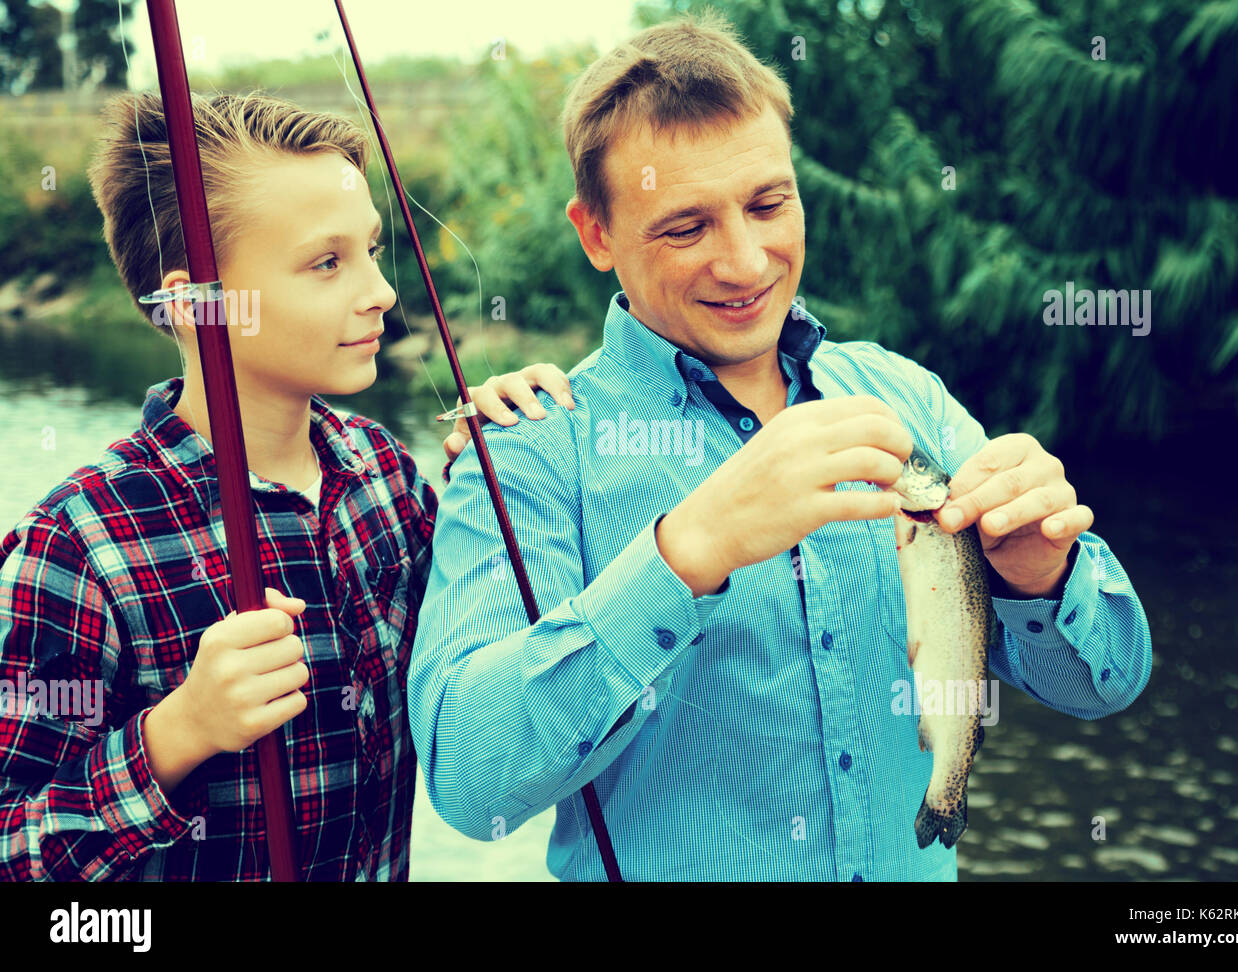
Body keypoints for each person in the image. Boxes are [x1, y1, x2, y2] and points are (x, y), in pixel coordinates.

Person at [410, 13, 1153, 881]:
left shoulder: (906, 395)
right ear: (596, 233)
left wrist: (1041, 576)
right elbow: (467, 781)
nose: (746, 260)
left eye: (769, 203)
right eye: (685, 227)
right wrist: (686, 554)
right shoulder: (527, 451)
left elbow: (1105, 685)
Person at [0, 91, 573, 881]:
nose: (381, 292)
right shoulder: (74, 547)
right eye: (327, 263)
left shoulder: (388, 479)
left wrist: (513, 476)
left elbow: (490, 680)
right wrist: (178, 732)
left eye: (372, 249)